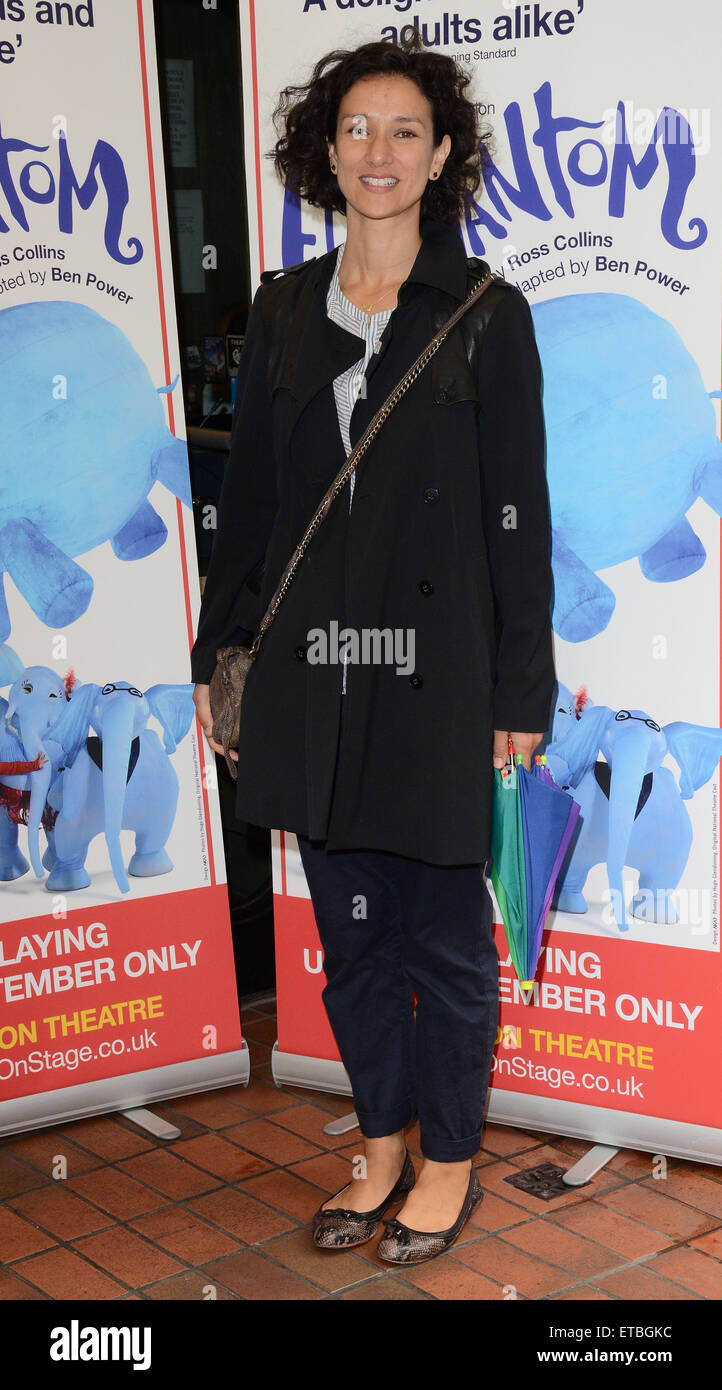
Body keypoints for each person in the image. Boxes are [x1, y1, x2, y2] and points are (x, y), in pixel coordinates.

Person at [191, 32, 556, 1265]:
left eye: (405, 129)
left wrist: (519, 692)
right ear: (324, 153)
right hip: (311, 680)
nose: (378, 151)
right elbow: (249, 511)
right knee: (350, 938)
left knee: (443, 939)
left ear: (441, 152)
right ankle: (383, 1146)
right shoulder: (284, 309)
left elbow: (519, 515)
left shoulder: (485, 316)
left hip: (437, 683)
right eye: (356, 129)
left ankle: (447, 1165)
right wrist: (219, 659)